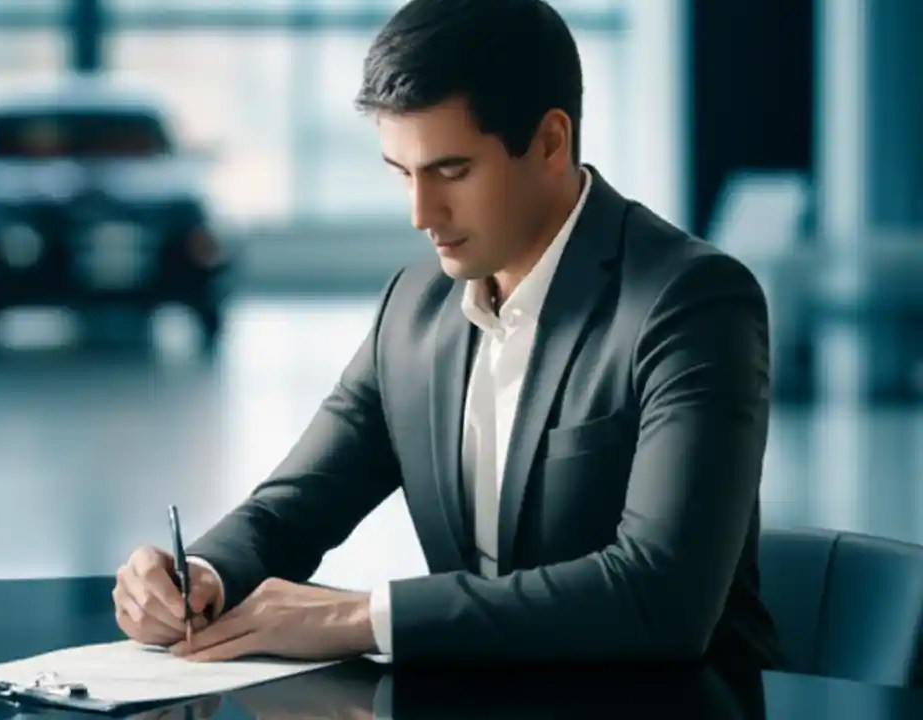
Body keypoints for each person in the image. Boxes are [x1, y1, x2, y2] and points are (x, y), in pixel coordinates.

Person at [112, 0, 786, 669]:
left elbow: (660, 600)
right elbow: (289, 512)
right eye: (402, 173)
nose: (420, 213)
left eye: (452, 171)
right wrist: (197, 575)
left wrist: (361, 617)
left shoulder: (691, 302)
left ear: (550, 142)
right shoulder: (414, 309)